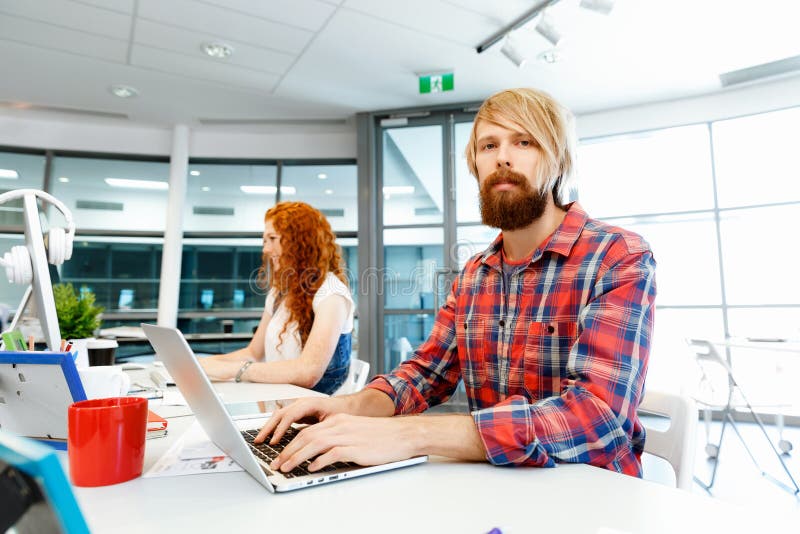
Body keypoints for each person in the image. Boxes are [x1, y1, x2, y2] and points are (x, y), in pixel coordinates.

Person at [257, 88, 657, 478]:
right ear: (475, 166)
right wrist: (351, 407)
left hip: (592, 494)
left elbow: (597, 416)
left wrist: (412, 434)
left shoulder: (617, 257)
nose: (502, 157)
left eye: (524, 142)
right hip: (498, 483)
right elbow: (425, 373)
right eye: (488, 146)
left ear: (558, 161)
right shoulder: (474, 276)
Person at [199, 201, 354, 395]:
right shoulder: (279, 292)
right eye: (265, 240)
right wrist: (199, 363)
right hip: (281, 409)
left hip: (320, 417)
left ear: (299, 241)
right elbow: (253, 354)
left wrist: (232, 370)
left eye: (272, 238)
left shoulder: (331, 294)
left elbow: (309, 372)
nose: (265, 249)